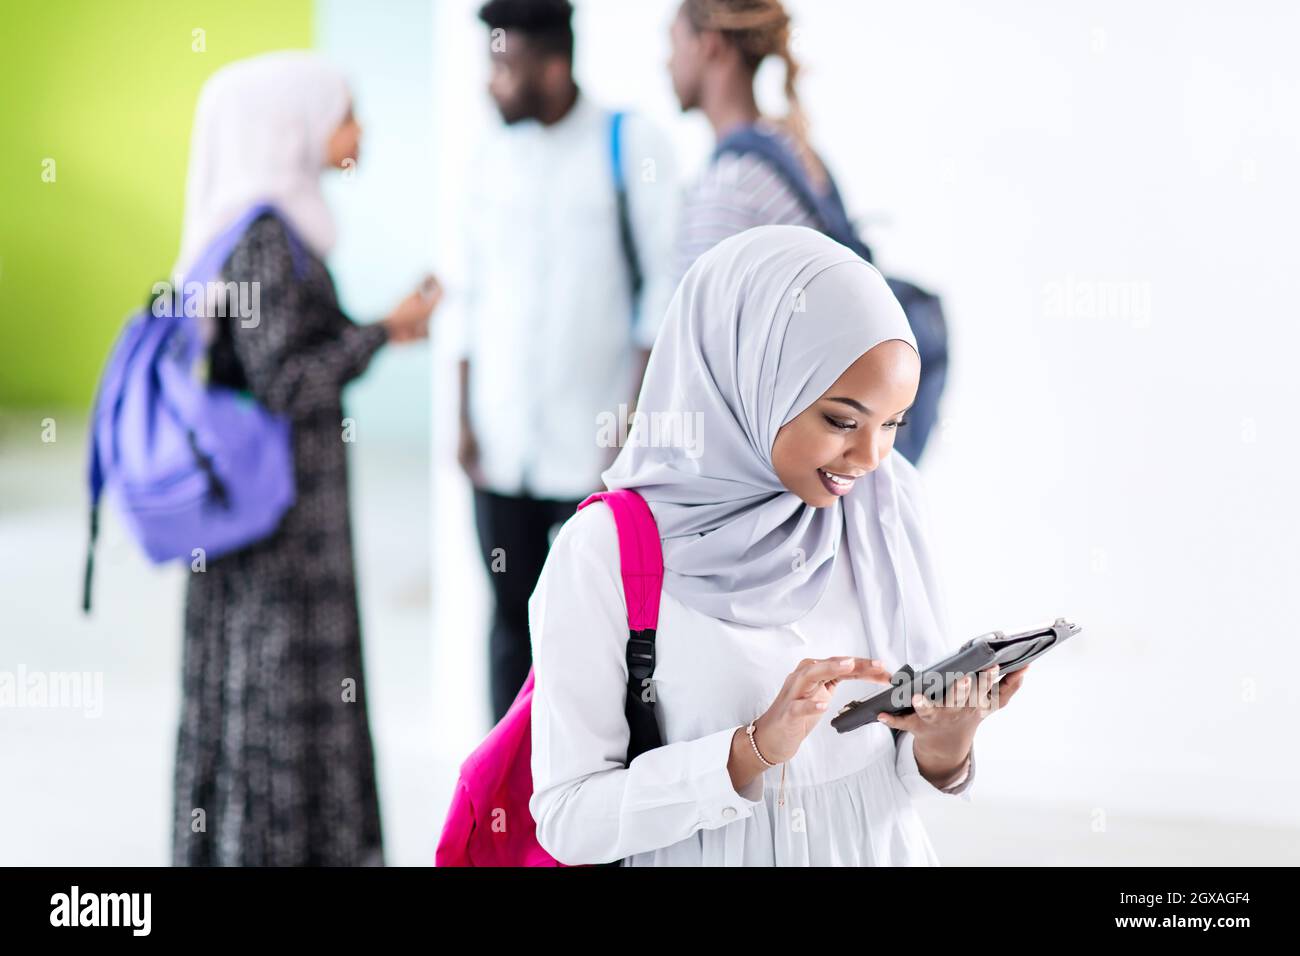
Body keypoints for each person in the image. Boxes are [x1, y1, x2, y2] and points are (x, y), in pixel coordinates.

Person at [527, 225, 1029, 866]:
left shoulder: (886, 504)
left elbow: (906, 774)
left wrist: (950, 736)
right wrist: (753, 749)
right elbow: (569, 821)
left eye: (893, 424)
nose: (871, 457)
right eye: (841, 421)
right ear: (748, 377)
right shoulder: (603, 551)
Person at [170, 51, 438, 866]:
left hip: (284, 520)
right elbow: (288, 379)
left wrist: (374, 329)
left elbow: (284, 352)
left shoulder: (278, 233)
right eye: (346, 111)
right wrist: (381, 333)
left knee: (282, 693)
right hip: (278, 534)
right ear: (291, 126)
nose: (360, 130)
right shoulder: (260, 240)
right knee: (278, 696)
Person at [456, 0, 679, 722]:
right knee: (506, 626)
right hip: (502, 444)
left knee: (600, 637)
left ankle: (593, 814)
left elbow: (664, 294)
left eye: (504, 65)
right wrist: (463, 419)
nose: (491, 82)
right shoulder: (490, 155)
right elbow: (471, 292)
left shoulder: (627, 142)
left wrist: (629, 425)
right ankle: (503, 809)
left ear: (553, 65)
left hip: (594, 450)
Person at [666, 0, 943, 464]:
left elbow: (701, 369)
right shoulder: (793, 153)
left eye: (673, 43)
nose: (666, 60)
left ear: (709, 46)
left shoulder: (730, 187)